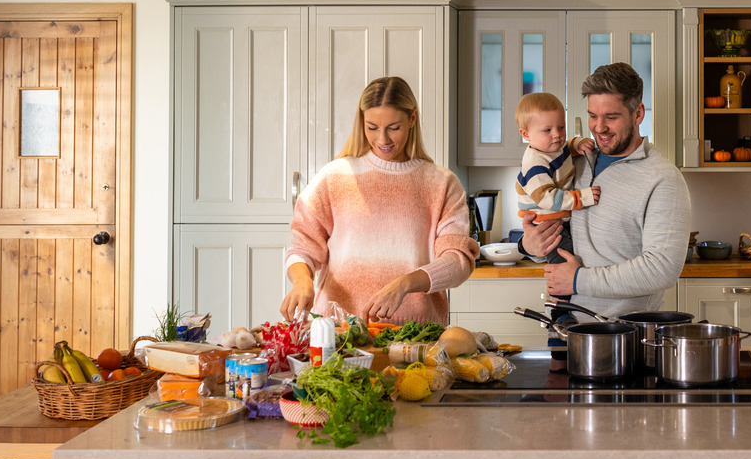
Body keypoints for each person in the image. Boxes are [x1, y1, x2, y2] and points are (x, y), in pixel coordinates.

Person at [280, 76, 478, 325]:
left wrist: (406, 283)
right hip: (340, 331)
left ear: (412, 119)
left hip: (416, 334)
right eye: (372, 127)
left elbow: (458, 262)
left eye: (393, 127)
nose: (382, 139)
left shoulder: (442, 184)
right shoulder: (335, 176)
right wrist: (302, 282)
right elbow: (303, 248)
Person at [521, 62, 691, 317]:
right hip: (564, 330)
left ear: (638, 114)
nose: (599, 127)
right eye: (592, 115)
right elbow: (551, 235)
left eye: (611, 117)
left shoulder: (663, 179)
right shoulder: (572, 162)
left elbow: (662, 269)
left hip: (625, 337)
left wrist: (579, 280)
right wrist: (529, 246)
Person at [513, 91, 601, 264]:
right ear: (526, 135)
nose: (557, 135)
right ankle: (561, 291)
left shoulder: (552, 147)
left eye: (561, 127)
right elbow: (548, 198)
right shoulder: (534, 165)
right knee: (562, 258)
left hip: (558, 217)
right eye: (547, 130)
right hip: (547, 223)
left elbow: (566, 148)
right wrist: (582, 197)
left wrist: (577, 144)